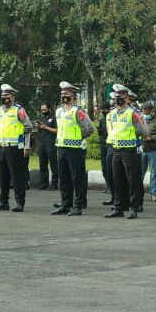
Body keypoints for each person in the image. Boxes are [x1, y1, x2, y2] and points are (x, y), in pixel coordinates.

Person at [105, 84, 151, 219]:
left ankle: (134, 207)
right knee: (117, 179)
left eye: (121, 97)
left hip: (130, 150)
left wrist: (133, 137)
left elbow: (143, 131)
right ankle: (118, 207)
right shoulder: (112, 113)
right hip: (116, 149)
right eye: (117, 97)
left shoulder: (133, 113)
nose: (118, 100)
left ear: (126, 98)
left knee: (133, 179)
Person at [52, 81, 95, 216]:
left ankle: (77, 205)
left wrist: (79, 138)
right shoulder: (59, 111)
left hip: (74, 148)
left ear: (73, 96)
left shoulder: (78, 111)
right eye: (62, 93)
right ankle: (65, 204)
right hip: (61, 147)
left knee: (77, 178)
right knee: (64, 179)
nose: (64, 95)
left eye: (67, 93)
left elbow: (89, 128)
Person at [0, 84, 32, 212]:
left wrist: (24, 145)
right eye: (2, 96)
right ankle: (3, 202)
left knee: (17, 176)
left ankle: (20, 202)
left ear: (12, 96)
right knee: (3, 176)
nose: (4, 98)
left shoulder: (19, 110)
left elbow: (28, 127)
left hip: (15, 148)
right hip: (2, 147)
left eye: (6, 96)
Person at [140, 101, 156, 203]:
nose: (144, 114)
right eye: (143, 112)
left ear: (150, 111)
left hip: (154, 150)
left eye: (146, 113)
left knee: (154, 173)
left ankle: (154, 193)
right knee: (139, 173)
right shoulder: (140, 120)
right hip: (142, 149)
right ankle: (138, 193)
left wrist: (151, 138)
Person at [35, 101, 59, 191]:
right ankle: (43, 183)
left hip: (51, 143)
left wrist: (46, 127)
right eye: (42, 110)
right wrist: (38, 127)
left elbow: (57, 130)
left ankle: (54, 184)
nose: (43, 111)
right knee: (42, 164)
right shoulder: (42, 117)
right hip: (42, 143)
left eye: (45, 110)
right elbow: (40, 131)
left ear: (49, 109)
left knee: (53, 164)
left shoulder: (54, 118)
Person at [97, 102, 116, 207]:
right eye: (102, 110)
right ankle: (110, 188)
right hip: (103, 144)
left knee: (113, 170)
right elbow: (100, 132)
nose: (103, 112)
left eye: (104, 109)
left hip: (111, 145)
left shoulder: (113, 118)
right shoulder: (102, 120)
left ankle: (115, 194)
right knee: (105, 169)